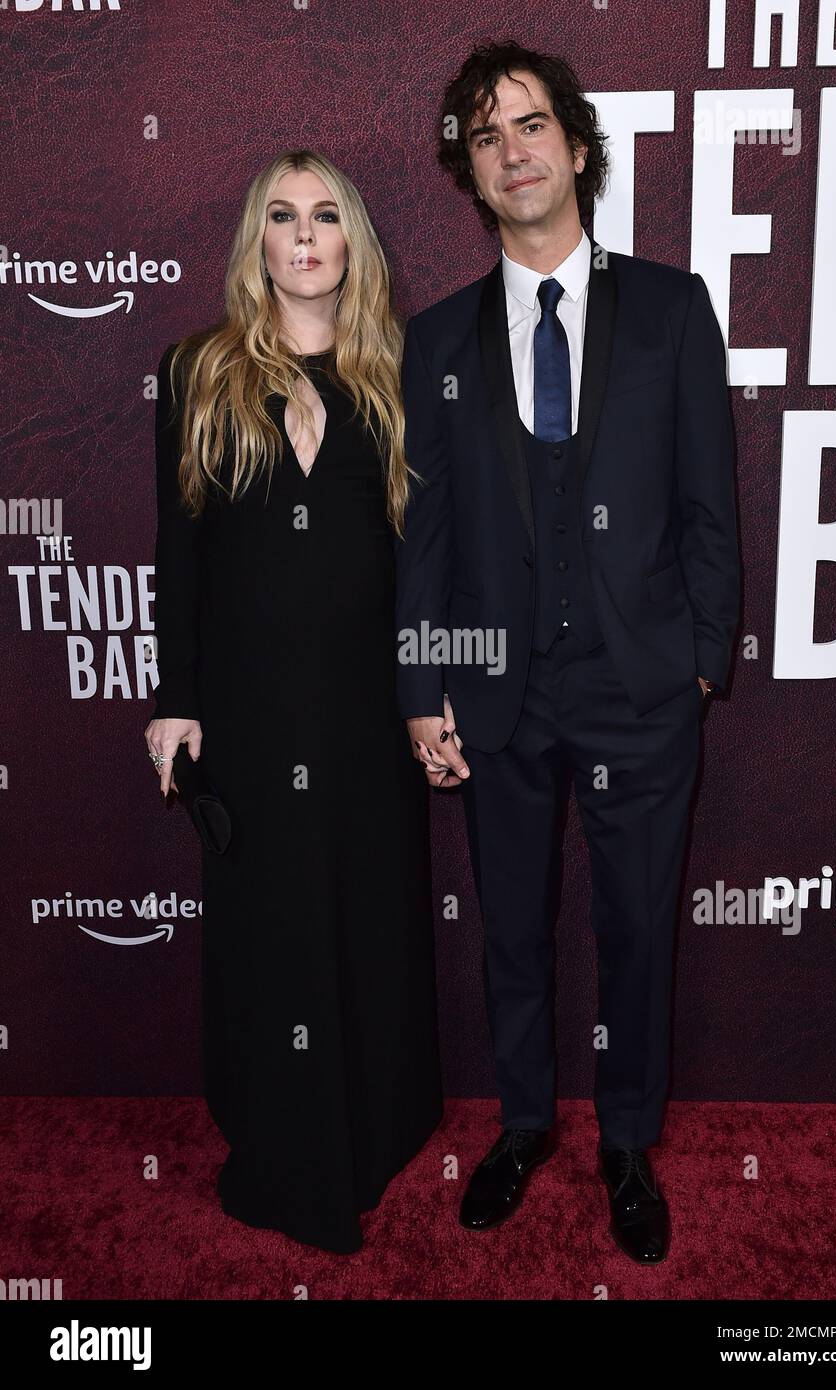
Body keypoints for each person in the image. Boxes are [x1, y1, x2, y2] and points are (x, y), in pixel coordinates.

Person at [395, 43, 740, 1263]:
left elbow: (711, 504)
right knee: (513, 927)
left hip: (641, 687)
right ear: (472, 176)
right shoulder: (434, 341)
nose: (512, 151)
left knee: (638, 925)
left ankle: (627, 1142)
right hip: (495, 689)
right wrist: (420, 685)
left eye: (529, 126)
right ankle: (527, 1122)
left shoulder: (669, 308)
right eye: (485, 139)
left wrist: (701, 658)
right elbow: (421, 537)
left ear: (577, 147)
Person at [144, 149, 443, 1255]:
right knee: (271, 927)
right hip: (252, 713)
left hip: (368, 716)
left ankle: (367, 1133)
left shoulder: (399, 376)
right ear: (255, 244)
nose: (306, 235)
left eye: (326, 216)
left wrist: (430, 691)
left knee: (365, 913)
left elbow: (427, 563)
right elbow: (177, 556)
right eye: (282, 216)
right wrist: (177, 700)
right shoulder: (194, 373)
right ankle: (282, 1139)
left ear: (351, 242)